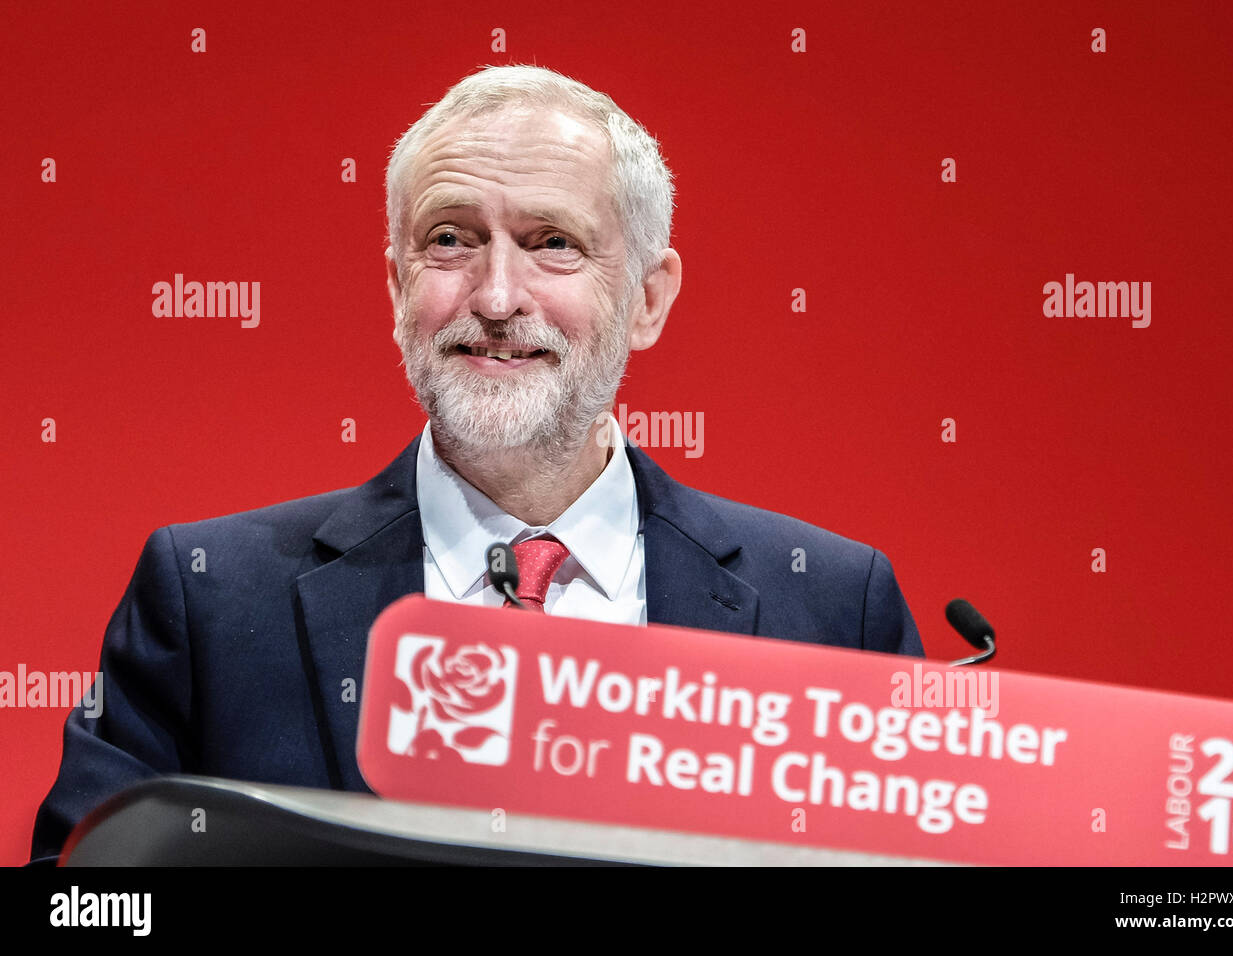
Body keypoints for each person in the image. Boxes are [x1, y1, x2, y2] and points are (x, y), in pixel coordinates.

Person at [29, 64, 923, 864]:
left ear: (648, 298)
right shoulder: (208, 598)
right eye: (451, 240)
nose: (496, 297)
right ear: (395, 287)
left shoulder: (835, 611)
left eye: (553, 243)